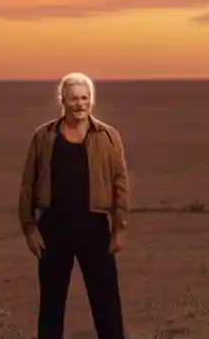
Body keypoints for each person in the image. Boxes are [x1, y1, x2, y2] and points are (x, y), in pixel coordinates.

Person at [18, 71, 130, 339]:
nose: (80, 104)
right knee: (51, 304)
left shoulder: (108, 136)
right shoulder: (44, 136)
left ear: (91, 100)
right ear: (63, 101)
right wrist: (29, 229)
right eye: (74, 99)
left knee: (106, 302)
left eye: (84, 98)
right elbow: (28, 183)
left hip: (94, 227)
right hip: (53, 228)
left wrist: (119, 229)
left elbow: (120, 184)